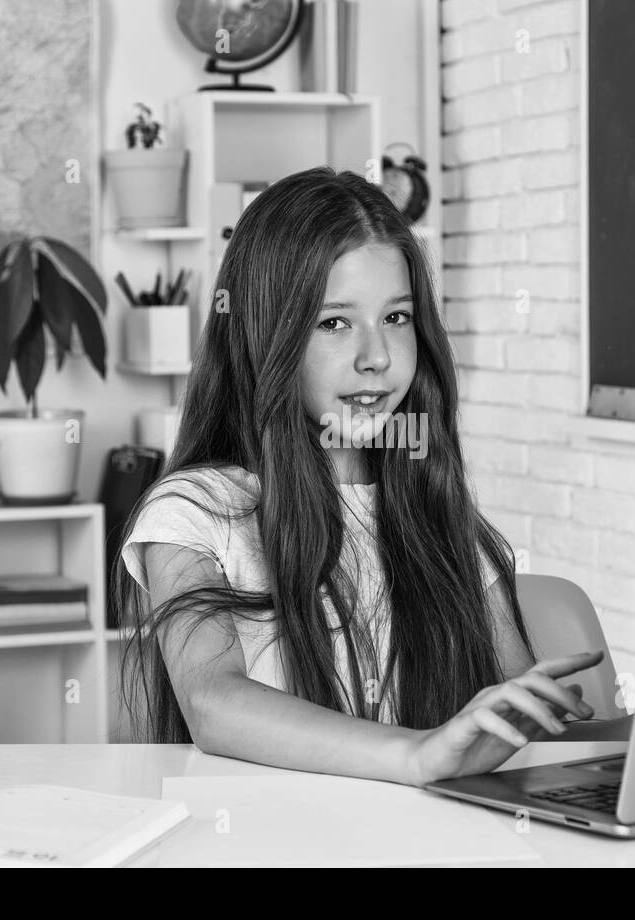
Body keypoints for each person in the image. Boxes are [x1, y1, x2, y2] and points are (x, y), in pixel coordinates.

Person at [113, 166, 602, 788]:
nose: (377, 357)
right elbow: (213, 703)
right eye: (335, 323)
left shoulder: (432, 503)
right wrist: (418, 754)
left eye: (396, 318)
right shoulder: (194, 512)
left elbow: (517, 717)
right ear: (268, 335)